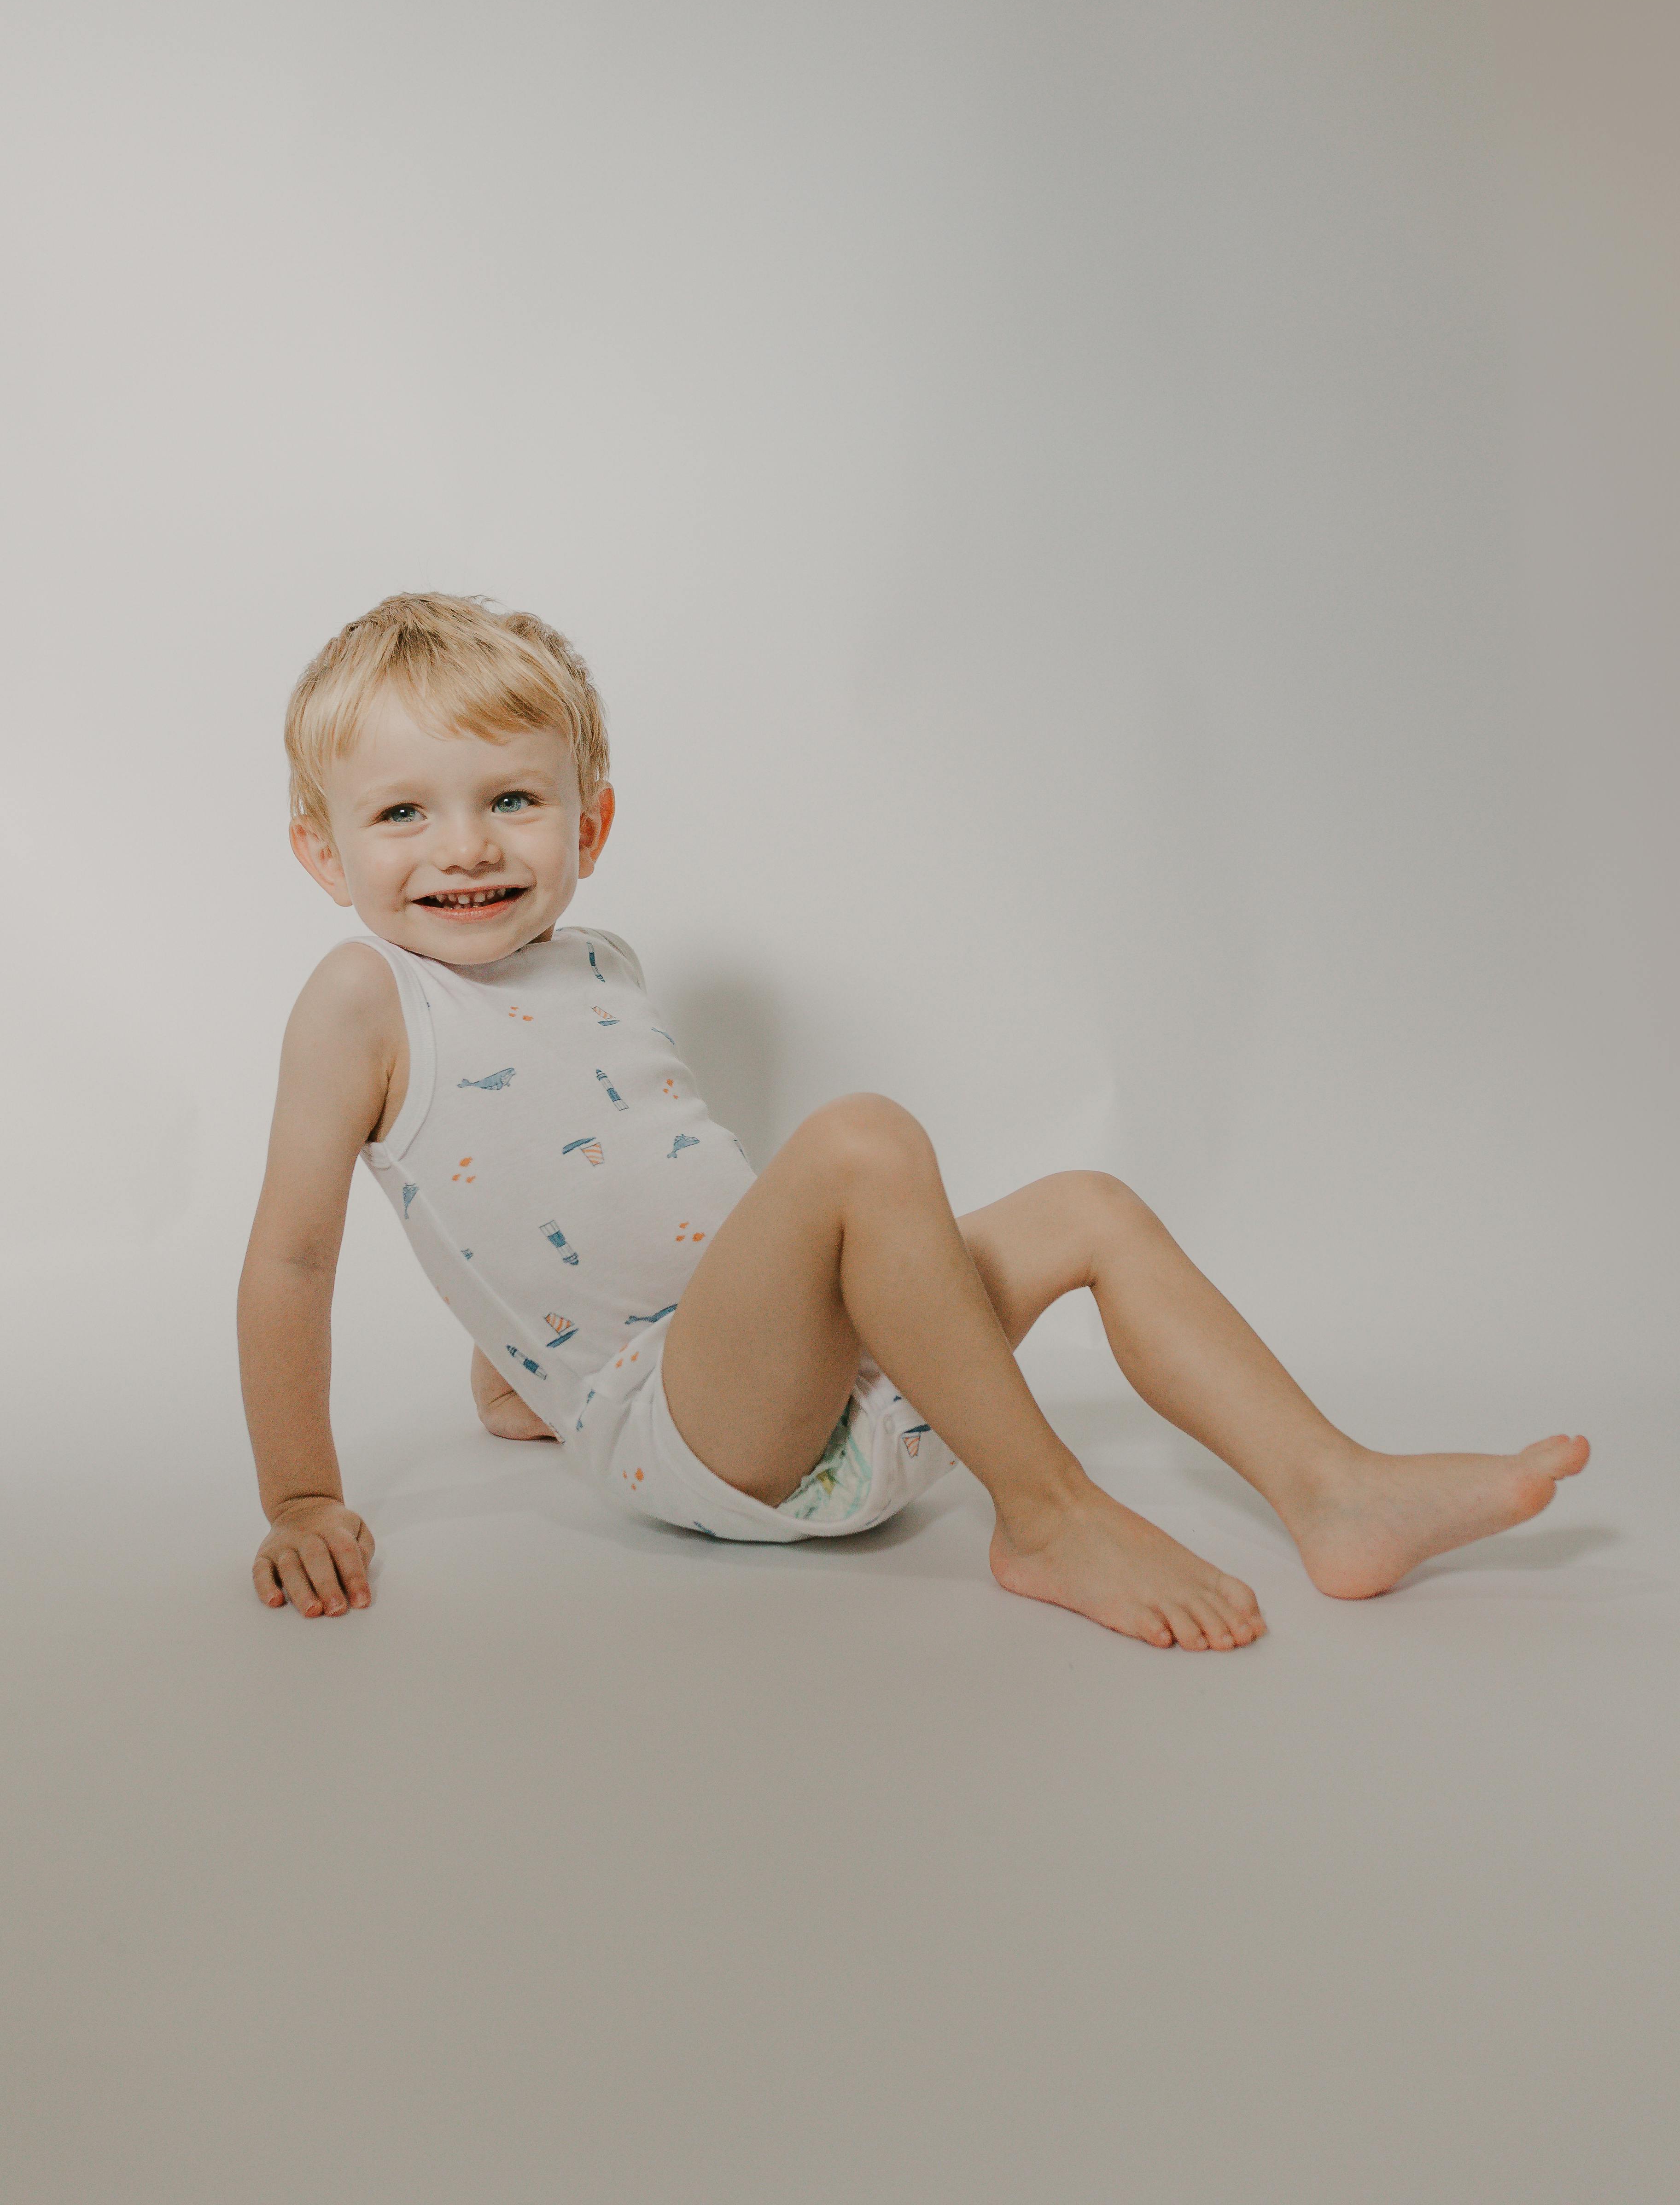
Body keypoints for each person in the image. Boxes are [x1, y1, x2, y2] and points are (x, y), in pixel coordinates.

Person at [240, 589, 1590, 1650]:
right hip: (699, 1429)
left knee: (1088, 1210)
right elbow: (295, 1260)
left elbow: (588, 1189)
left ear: (589, 824)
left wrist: (511, 1372)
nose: (466, 845)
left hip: (831, 1378)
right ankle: (1050, 1515)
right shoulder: (364, 1000)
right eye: (404, 812)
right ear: (322, 852)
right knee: (861, 1141)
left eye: (512, 800)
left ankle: (1332, 1490)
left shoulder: (600, 966)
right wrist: (303, 1497)